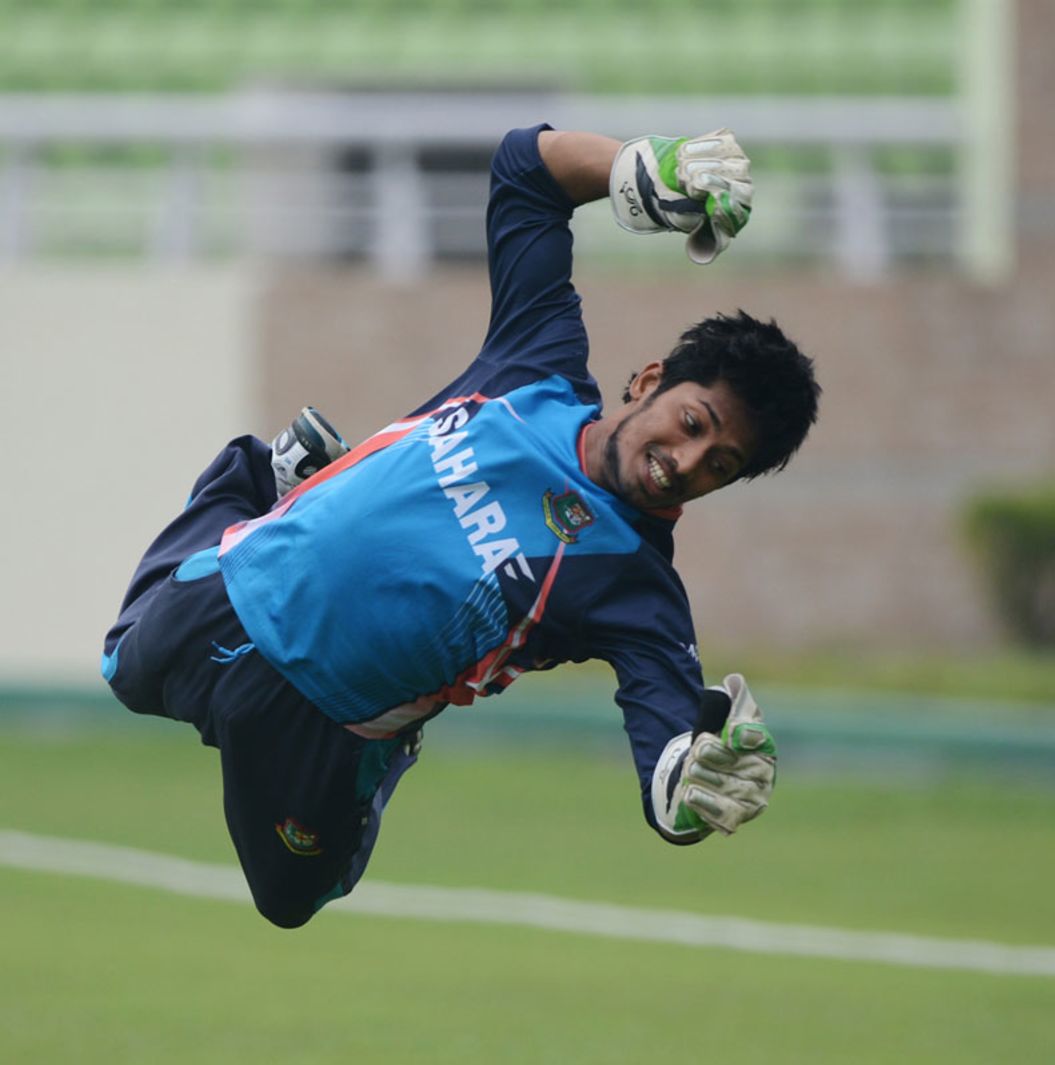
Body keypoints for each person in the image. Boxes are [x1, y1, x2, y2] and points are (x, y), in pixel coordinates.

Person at [101, 123, 821, 928]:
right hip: (244, 585)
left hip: (326, 722)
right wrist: (636, 165)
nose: (688, 460)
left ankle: (380, 759)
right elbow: (525, 168)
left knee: (291, 898)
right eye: (693, 422)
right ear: (649, 380)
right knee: (125, 666)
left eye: (720, 464)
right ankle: (262, 479)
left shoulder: (640, 593)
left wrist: (691, 787)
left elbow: (667, 779)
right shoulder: (538, 360)